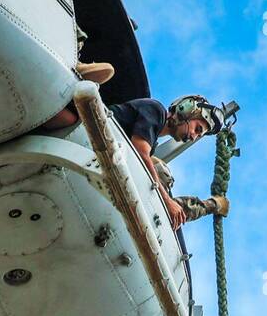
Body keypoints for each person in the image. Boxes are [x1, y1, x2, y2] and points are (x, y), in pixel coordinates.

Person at [39, 94, 230, 229]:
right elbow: (140, 151)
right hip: (74, 129)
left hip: (81, 151)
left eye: (199, 136)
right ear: (185, 110)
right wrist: (167, 201)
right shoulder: (155, 110)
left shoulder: (152, 144)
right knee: (68, 117)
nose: (194, 137)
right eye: (197, 129)